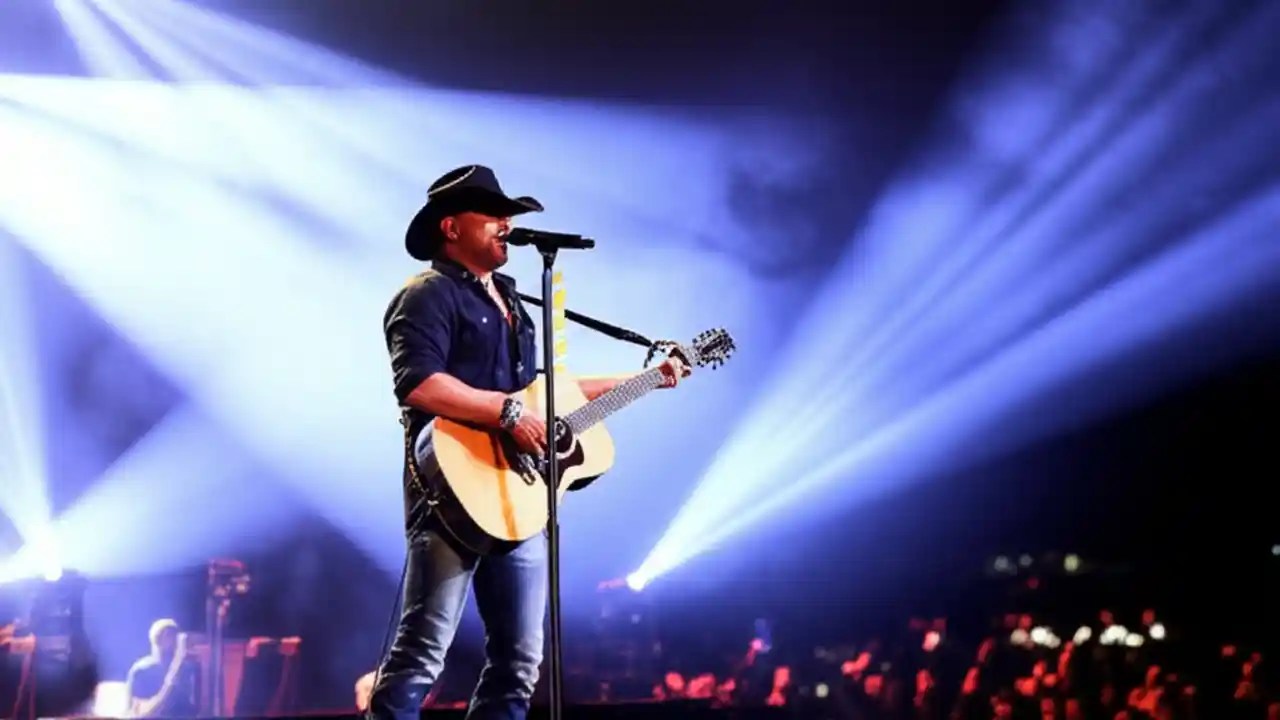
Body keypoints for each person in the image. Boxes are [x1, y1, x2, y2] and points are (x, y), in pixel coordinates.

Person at [368, 165, 690, 720]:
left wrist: (646, 379)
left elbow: (549, 394)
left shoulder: (516, 302)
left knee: (518, 665)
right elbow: (420, 383)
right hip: (452, 491)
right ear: (451, 227)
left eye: (508, 214)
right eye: (493, 214)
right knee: (421, 655)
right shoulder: (426, 294)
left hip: (519, 496)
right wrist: (506, 410)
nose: (507, 223)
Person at [124, 618, 199, 718]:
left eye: (175, 636)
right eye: (169, 635)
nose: (173, 641)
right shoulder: (142, 670)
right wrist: (173, 675)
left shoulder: (186, 670)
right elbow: (142, 712)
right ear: (156, 639)